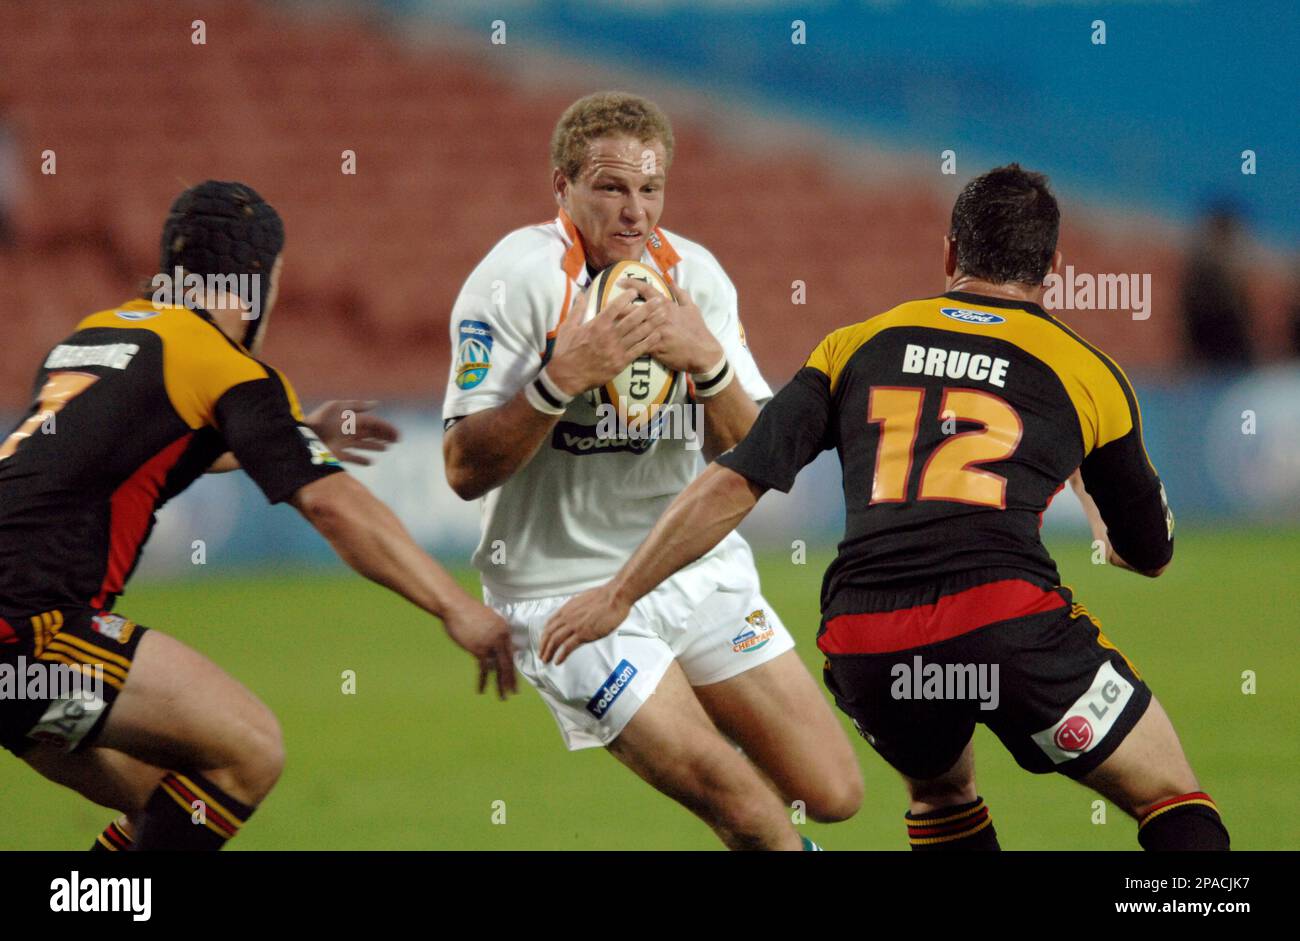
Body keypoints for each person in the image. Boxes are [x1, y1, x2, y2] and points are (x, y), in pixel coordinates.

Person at [542, 164, 1230, 852]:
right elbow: (1150, 553)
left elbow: (734, 479)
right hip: (1005, 621)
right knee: (1171, 797)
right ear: (1052, 266)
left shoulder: (856, 343)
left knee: (941, 794)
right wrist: (1107, 523)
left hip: (867, 638)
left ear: (950, 252)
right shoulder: (1088, 371)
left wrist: (620, 593)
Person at [0, 180, 515, 851]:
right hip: (29, 627)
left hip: (20, 643)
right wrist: (456, 606)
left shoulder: (97, 335)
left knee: (165, 796)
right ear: (256, 283)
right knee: (249, 748)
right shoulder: (223, 364)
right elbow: (333, 505)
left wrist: (295, 432)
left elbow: (145, 445)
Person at [441, 91, 861, 850]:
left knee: (832, 790)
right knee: (740, 803)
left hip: (691, 568)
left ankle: (723, 781)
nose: (634, 212)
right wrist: (557, 381)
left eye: (650, 188)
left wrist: (706, 363)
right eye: (610, 187)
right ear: (562, 187)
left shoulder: (695, 278)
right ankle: (724, 789)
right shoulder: (517, 280)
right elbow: (464, 468)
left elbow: (756, 454)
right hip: (560, 594)